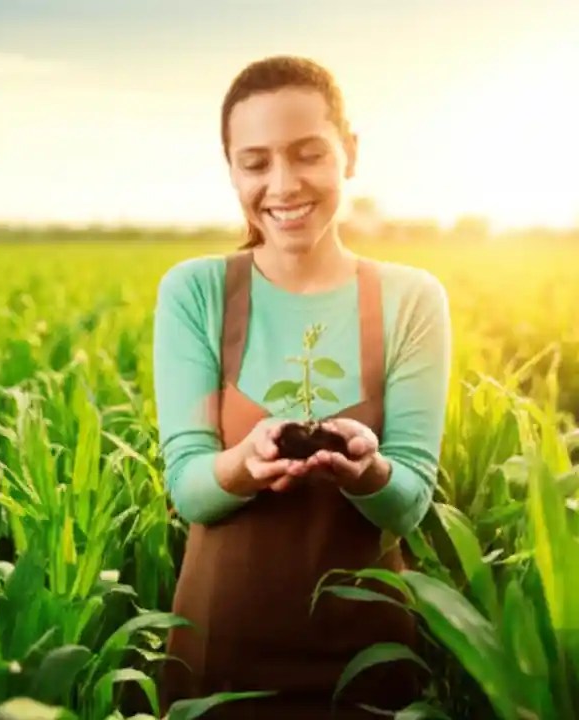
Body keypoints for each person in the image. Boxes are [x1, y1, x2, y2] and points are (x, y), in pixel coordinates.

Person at [150, 56, 451, 717]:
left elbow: (408, 505)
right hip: (219, 660)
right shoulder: (196, 292)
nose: (283, 185)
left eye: (308, 154)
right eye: (255, 162)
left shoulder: (411, 299)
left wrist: (368, 471)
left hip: (367, 660)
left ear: (350, 153)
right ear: (232, 169)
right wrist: (246, 463)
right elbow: (188, 487)